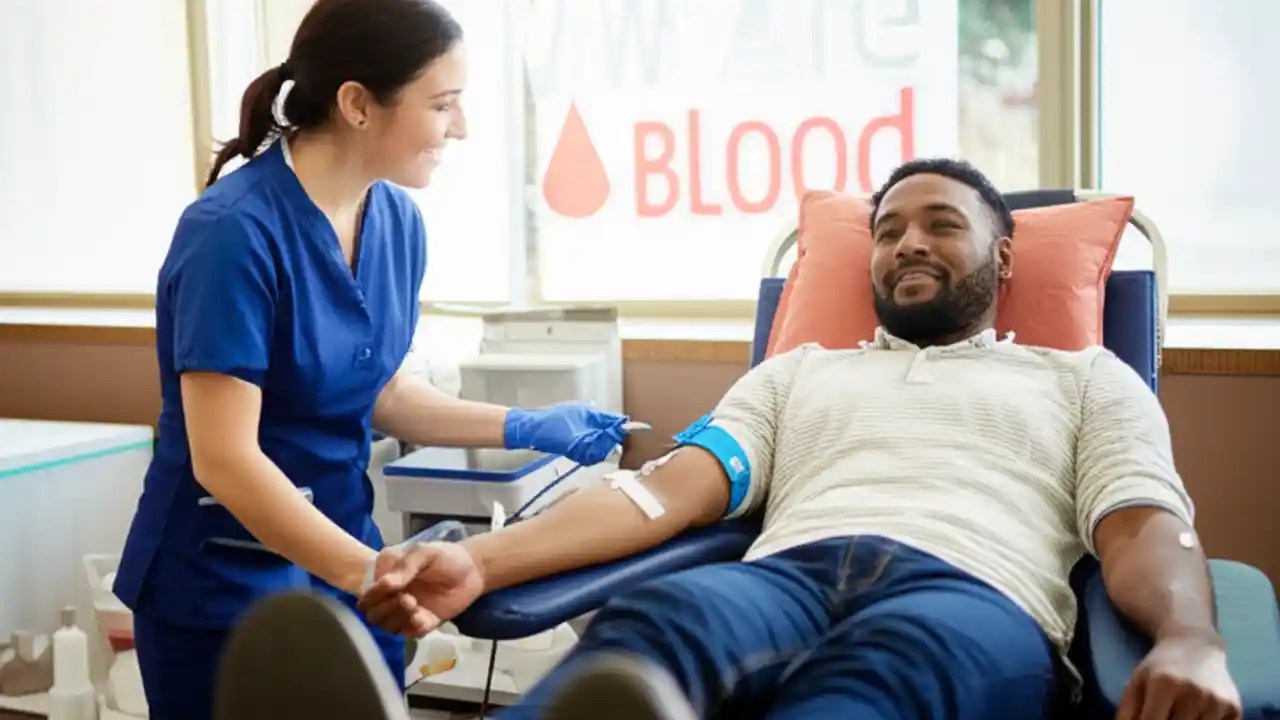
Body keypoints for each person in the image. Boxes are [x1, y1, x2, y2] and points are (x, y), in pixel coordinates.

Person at [360, 158, 1244, 720]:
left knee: (882, 680)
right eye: (888, 230)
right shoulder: (796, 372)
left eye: (941, 224)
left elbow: (1141, 525)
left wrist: (1191, 638)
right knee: (663, 623)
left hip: (975, 598)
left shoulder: (1086, 377)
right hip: (788, 576)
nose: (908, 244)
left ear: (1005, 259)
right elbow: (662, 493)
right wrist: (483, 561)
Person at [111, 1, 630, 718]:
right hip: (221, 578)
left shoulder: (395, 221)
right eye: (443, 104)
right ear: (357, 103)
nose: (463, 127)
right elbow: (224, 459)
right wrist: (373, 574)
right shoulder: (231, 236)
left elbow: (381, 390)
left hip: (348, 558)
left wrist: (525, 426)